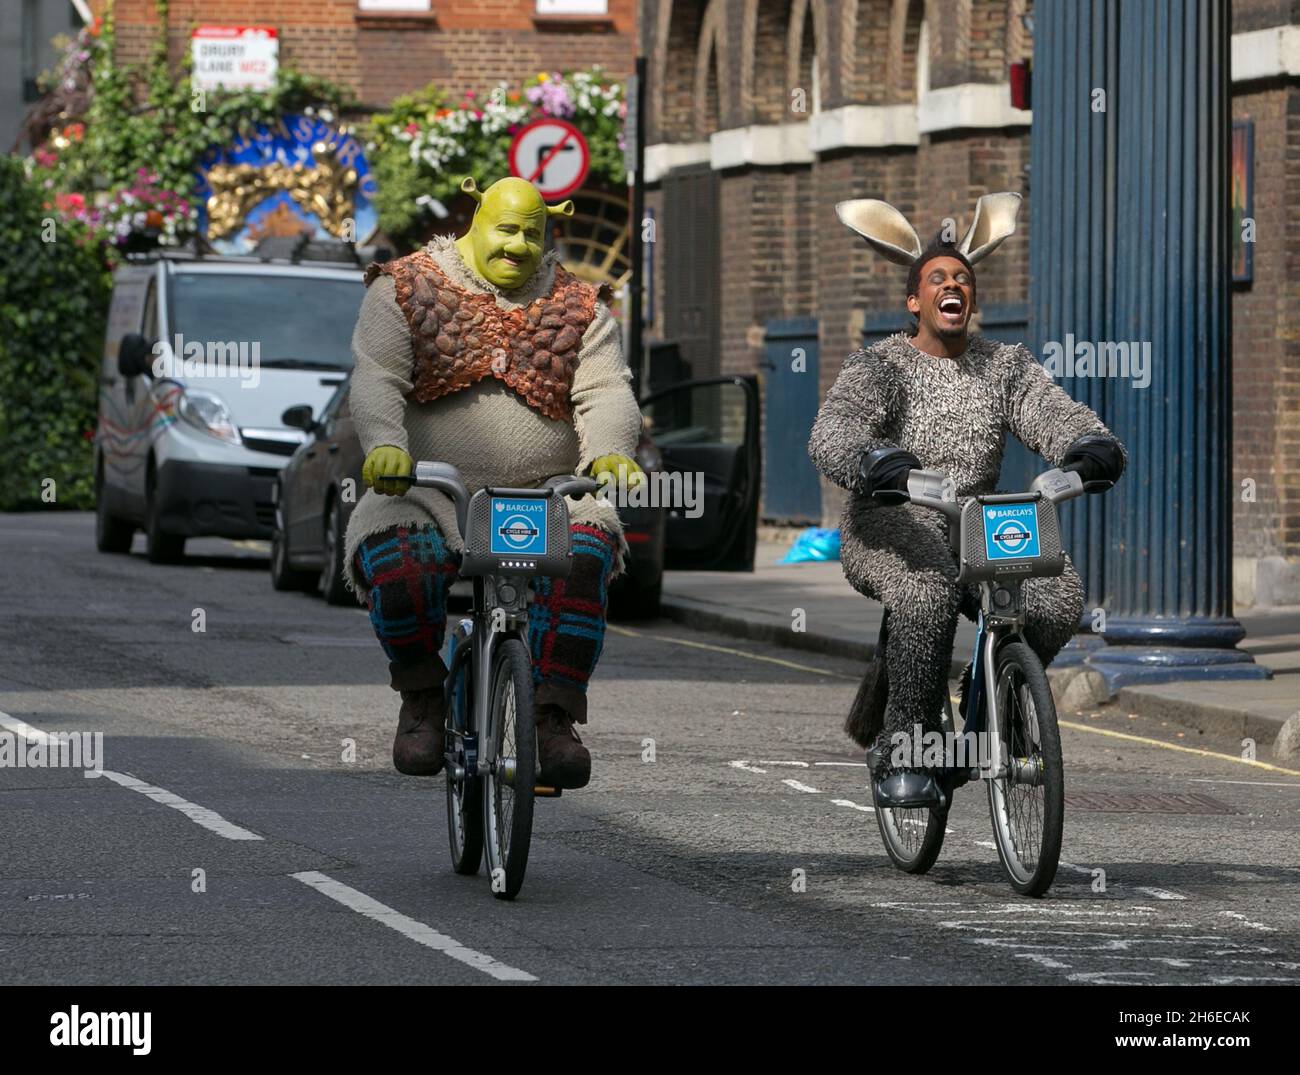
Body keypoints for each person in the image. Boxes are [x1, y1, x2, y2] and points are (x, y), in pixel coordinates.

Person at [807, 193, 1126, 805]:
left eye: (962, 278)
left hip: (976, 519)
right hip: (890, 517)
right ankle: (908, 742)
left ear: (971, 299)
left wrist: (1087, 447)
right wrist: (879, 462)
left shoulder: (1005, 366)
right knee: (926, 592)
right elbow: (834, 431)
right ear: (913, 301)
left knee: (1058, 598)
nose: (952, 285)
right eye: (937, 278)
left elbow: (1050, 412)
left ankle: (998, 696)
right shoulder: (882, 365)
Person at [344, 175, 645, 789]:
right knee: (398, 565)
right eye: (506, 230)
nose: (517, 246)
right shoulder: (404, 287)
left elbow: (607, 390)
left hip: (549, 493)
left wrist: (611, 452)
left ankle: (553, 715)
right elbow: (376, 378)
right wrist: (385, 447)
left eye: (531, 235)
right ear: (476, 219)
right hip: (426, 493)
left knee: (587, 555)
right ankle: (422, 695)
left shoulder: (583, 304)